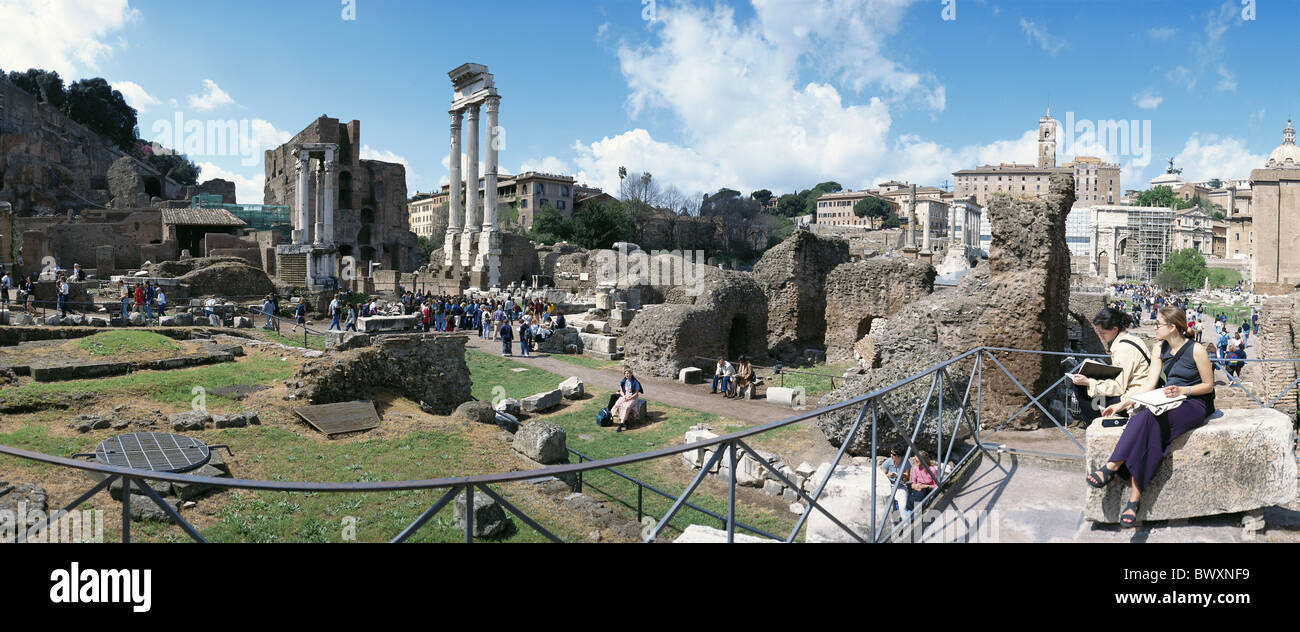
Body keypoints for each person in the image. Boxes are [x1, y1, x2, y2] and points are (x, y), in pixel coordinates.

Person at [1086, 306, 1215, 527]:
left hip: (1194, 402)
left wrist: (1184, 391)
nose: (1154, 327)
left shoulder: (1196, 350)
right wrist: (1125, 403)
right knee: (1142, 418)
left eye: (1158, 324)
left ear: (1172, 327)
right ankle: (1134, 499)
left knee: (1149, 421)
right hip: (1168, 399)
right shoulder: (1158, 348)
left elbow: (1208, 385)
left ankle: (1113, 467)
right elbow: (1150, 383)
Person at [1069, 308, 1152, 424]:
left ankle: (1095, 424)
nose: (1101, 336)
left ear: (1114, 329)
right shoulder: (1130, 338)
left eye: (1102, 333)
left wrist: (1089, 382)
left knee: (1081, 388)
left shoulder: (1124, 348)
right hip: (1135, 391)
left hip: (1133, 399)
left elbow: (1118, 387)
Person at [904, 450, 939, 516]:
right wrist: (915, 486)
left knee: (919, 494)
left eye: (917, 460)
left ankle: (912, 508)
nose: (915, 462)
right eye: (914, 460)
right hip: (918, 486)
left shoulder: (932, 470)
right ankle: (909, 507)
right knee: (904, 487)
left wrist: (925, 486)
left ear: (923, 460)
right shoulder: (915, 468)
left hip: (927, 488)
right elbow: (913, 482)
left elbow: (936, 486)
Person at [611, 367, 644, 432]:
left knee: (626, 407)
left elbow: (636, 394)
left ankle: (620, 425)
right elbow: (621, 391)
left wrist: (629, 398)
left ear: (631, 374)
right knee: (617, 404)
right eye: (625, 373)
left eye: (628, 373)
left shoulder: (635, 382)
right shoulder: (624, 381)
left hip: (632, 398)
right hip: (625, 396)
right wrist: (624, 396)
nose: (627, 375)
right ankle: (623, 421)